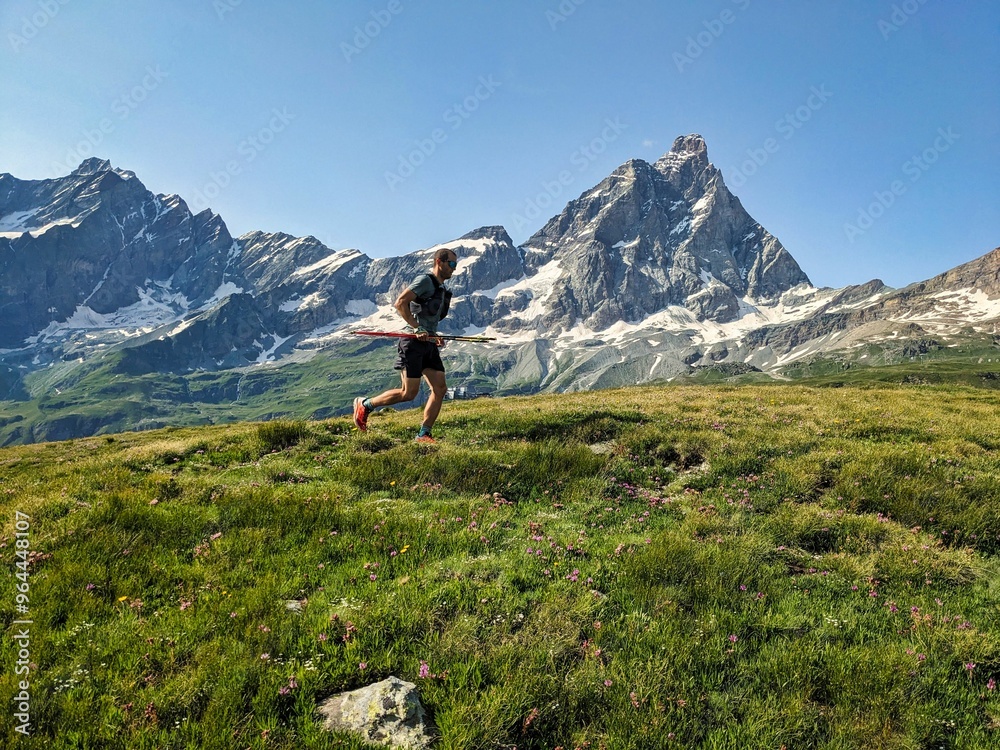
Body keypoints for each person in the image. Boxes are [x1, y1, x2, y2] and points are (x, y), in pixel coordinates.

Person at [353, 247, 457, 443]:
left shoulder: (441, 289)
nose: (454, 268)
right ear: (439, 262)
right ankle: (365, 405)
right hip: (412, 342)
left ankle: (424, 434)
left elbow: (428, 318)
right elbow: (401, 303)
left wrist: (433, 336)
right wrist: (417, 328)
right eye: (451, 264)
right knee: (408, 393)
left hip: (428, 343)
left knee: (440, 388)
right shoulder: (425, 281)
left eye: (455, 265)